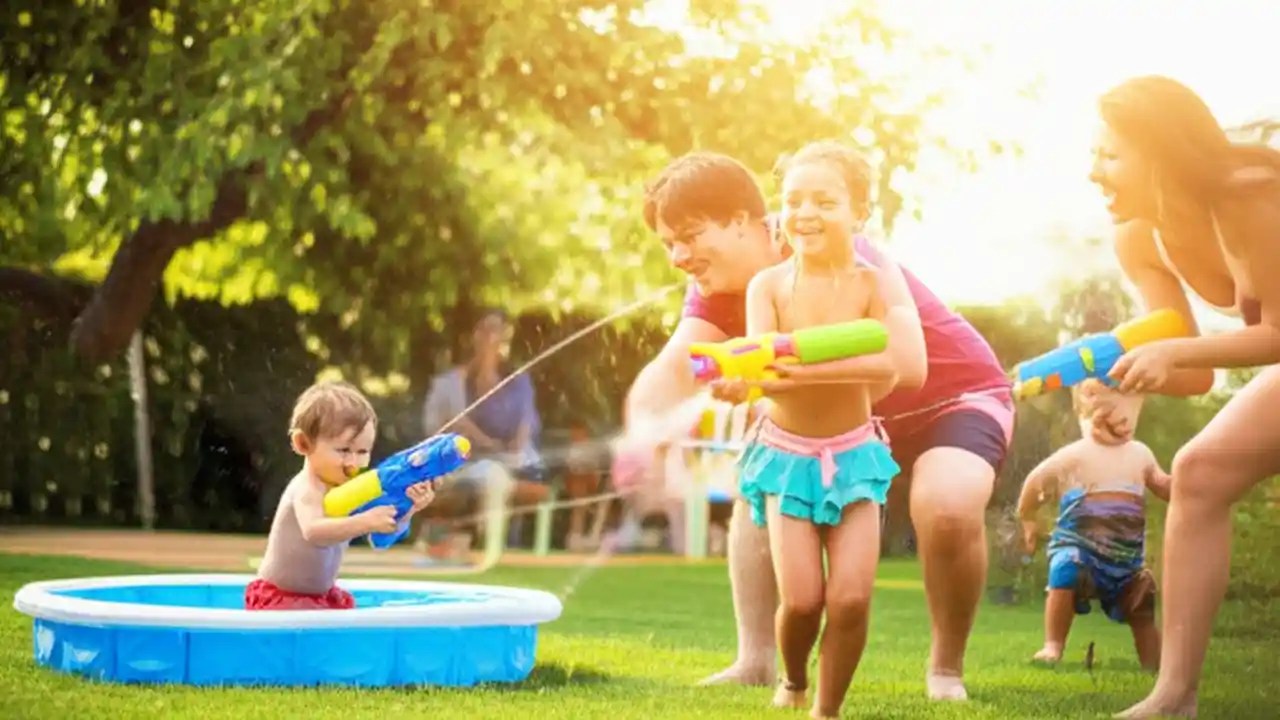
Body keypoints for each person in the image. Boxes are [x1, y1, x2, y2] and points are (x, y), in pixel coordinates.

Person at [617, 150, 1015, 701]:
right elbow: (677, 366)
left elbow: (903, 363)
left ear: (741, 221)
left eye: (688, 236)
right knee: (766, 463)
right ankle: (756, 660)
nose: (680, 256)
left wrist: (778, 369)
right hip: (850, 421)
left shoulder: (837, 250)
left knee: (945, 503)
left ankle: (946, 668)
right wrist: (641, 435)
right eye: (669, 244)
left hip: (952, 401)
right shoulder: (722, 286)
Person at [1080, 74, 1280, 719]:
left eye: (1109, 155)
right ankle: (1174, 697)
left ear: (1160, 152)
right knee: (1200, 471)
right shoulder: (1141, 237)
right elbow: (1194, 370)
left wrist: (1171, 354)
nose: (1093, 173)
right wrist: (1131, 388)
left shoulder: (1249, 199)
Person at [712, 141, 911, 718]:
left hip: (855, 456)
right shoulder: (768, 287)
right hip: (786, 455)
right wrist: (743, 379)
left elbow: (890, 365)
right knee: (801, 601)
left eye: (825, 201)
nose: (805, 213)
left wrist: (788, 361)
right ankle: (794, 679)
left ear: (860, 213)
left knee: (849, 600)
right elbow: (763, 373)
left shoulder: (873, 284)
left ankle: (826, 711)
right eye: (794, 200)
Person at [247, 381, 436, 610]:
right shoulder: (307, 487)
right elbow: (314, 531)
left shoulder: (352, 488)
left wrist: (408, 509)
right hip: (280, 599)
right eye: (343, 450)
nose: (353, 462)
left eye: (362, 452)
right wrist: (365, 521)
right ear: (303, 443)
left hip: (323, 598)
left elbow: (380, 539)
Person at [1017, 388, 1168, 671]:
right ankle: (1053, 645)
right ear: (1081, 416)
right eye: (1101, 415)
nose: (1113, 424)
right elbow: (1035, 482)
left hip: (1125, 559)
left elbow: (1162, 485)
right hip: (1079, 546)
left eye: (1121, 416)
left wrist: (1189, 482)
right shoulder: (1074, 456)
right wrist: (1027, 517)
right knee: (1064, 568)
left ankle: (1154, 663)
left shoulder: (1141, 454)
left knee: (1142, 599)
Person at [417, 308, 548, 559]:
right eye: (486, 329)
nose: (492, 337)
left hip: (511, 462)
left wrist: (506, 449)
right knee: (492, 475)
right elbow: (440, 429)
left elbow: (525, 428)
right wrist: (485, 443)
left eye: (498, 331)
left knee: (497, 473)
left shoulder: (518, 382)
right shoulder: (450, 383)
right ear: (474, 335)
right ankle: (489, 547)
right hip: (465, 464)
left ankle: (490, 545)